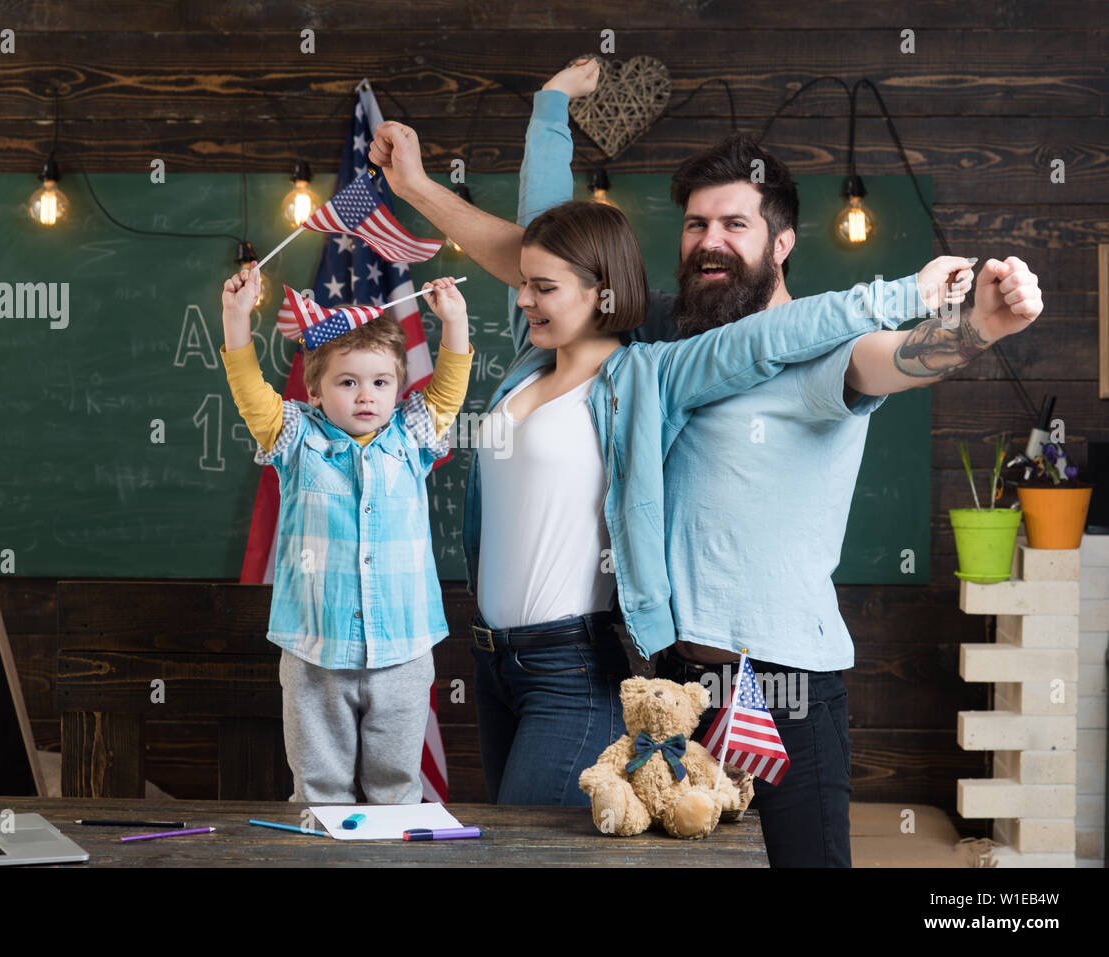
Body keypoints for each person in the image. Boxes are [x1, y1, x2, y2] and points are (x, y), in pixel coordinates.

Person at [369, 58, 1042, 863]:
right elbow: (539, 250)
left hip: (777, 680)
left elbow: (895, 356)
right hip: (672, 680)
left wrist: (979, 329)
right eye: (695, 225)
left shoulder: (821, 346)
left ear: (783, 242)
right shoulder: (656, 337)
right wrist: (513, 135)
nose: (710, 241)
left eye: (735, 224)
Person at [218, 265, 474, 804]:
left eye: (381, 382)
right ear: (314, 390)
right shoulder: (294, 438)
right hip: (315, 651)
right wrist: (236, 319)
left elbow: (449, 389)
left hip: (402, 650)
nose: (366, 395)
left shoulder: (412, 436)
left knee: (396, 789)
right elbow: (249, 391)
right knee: (318, 792)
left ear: (398, 387)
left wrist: (456, 324)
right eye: (347, 381)